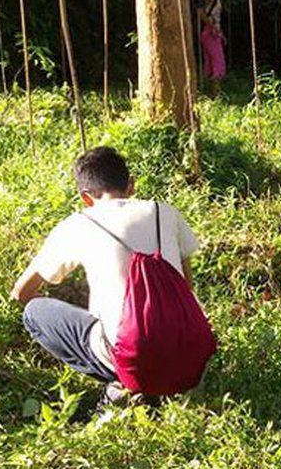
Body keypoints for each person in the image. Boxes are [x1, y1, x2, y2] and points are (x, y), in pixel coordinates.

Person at [11, 147, 202, 407]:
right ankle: (147, 382)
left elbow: (21, 292)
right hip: (191, 353)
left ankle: (121, 385)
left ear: (86, 197)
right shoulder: (164, 212)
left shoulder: (79, 224)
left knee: (34, 311)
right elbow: (186, 286)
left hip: (132, 355)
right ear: (131, 185)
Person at [199, 0, 229, 95]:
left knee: (210, 63)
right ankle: (216, 94)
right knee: (218, 62)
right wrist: (211, 25)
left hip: (212, 32)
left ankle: (209, 94)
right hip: (210, 32)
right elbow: (201, 12)